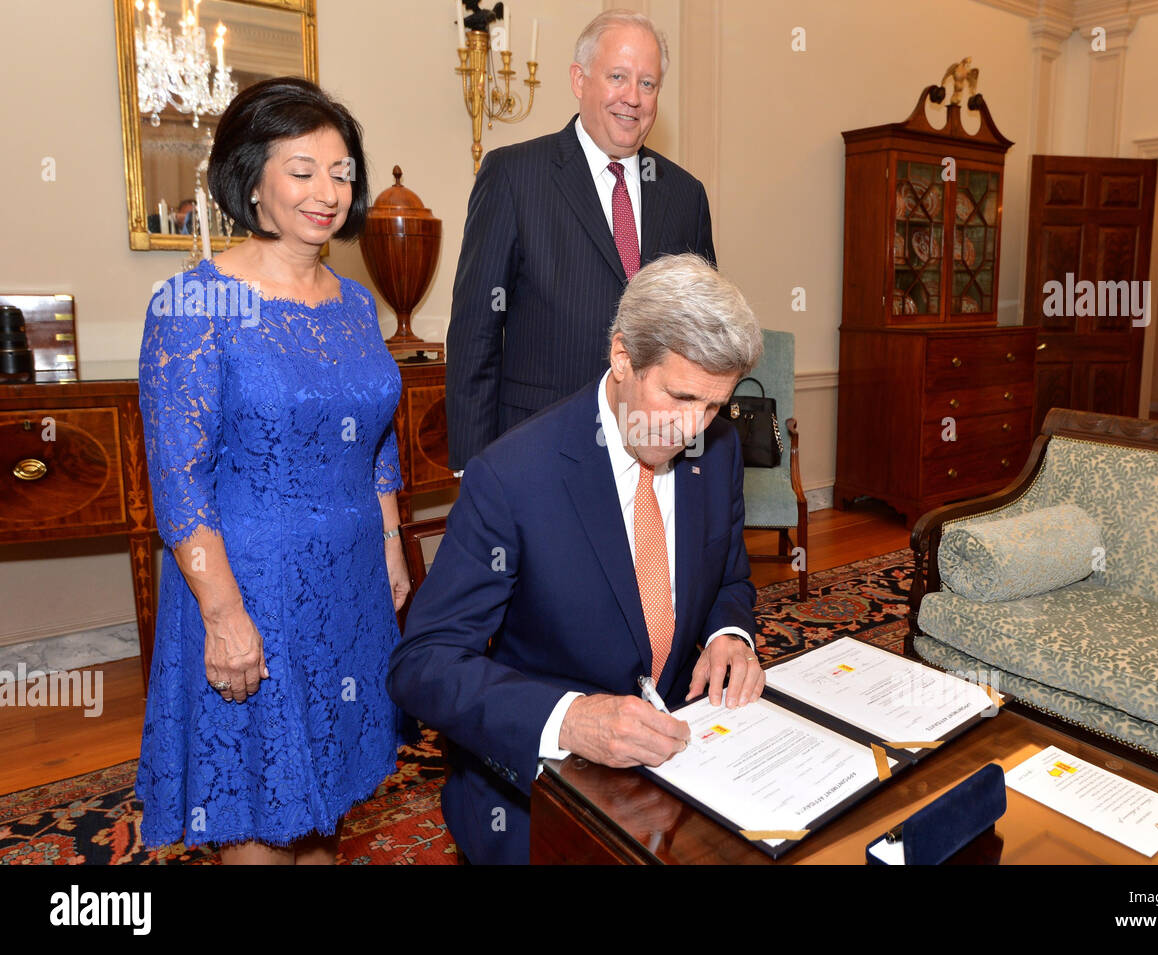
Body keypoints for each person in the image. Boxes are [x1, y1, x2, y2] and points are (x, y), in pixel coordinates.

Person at [390, 253, 765, 865]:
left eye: (714, 406)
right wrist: (568, 721)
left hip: (680, 762)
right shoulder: (513, 477)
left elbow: (731, 576)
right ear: (623, 357)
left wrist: (730, 634)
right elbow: (422, 664)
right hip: (539, 786)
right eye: (680, 397)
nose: (693, 427)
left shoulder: (715, 450)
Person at [136, 76, 409, 865]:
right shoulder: (194, 305)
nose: (327, 191)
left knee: (322, 790)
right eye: (303, 169)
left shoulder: (356, 304)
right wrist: (224, 616)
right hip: (249, 585)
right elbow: (178, 482)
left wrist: (390, 546)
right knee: (258, 802)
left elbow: (376, 440)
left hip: (350, 580)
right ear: (250, 178)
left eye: (341, 171)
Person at [445, 8, 716, 471]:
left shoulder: (685, 195)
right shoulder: (514, 176)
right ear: (579, 79)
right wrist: (473, 466)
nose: (633, 97)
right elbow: (475, 333)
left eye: (647, 84)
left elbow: (701, 338)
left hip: (655, 452)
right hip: (541, 448)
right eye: (617, 77)